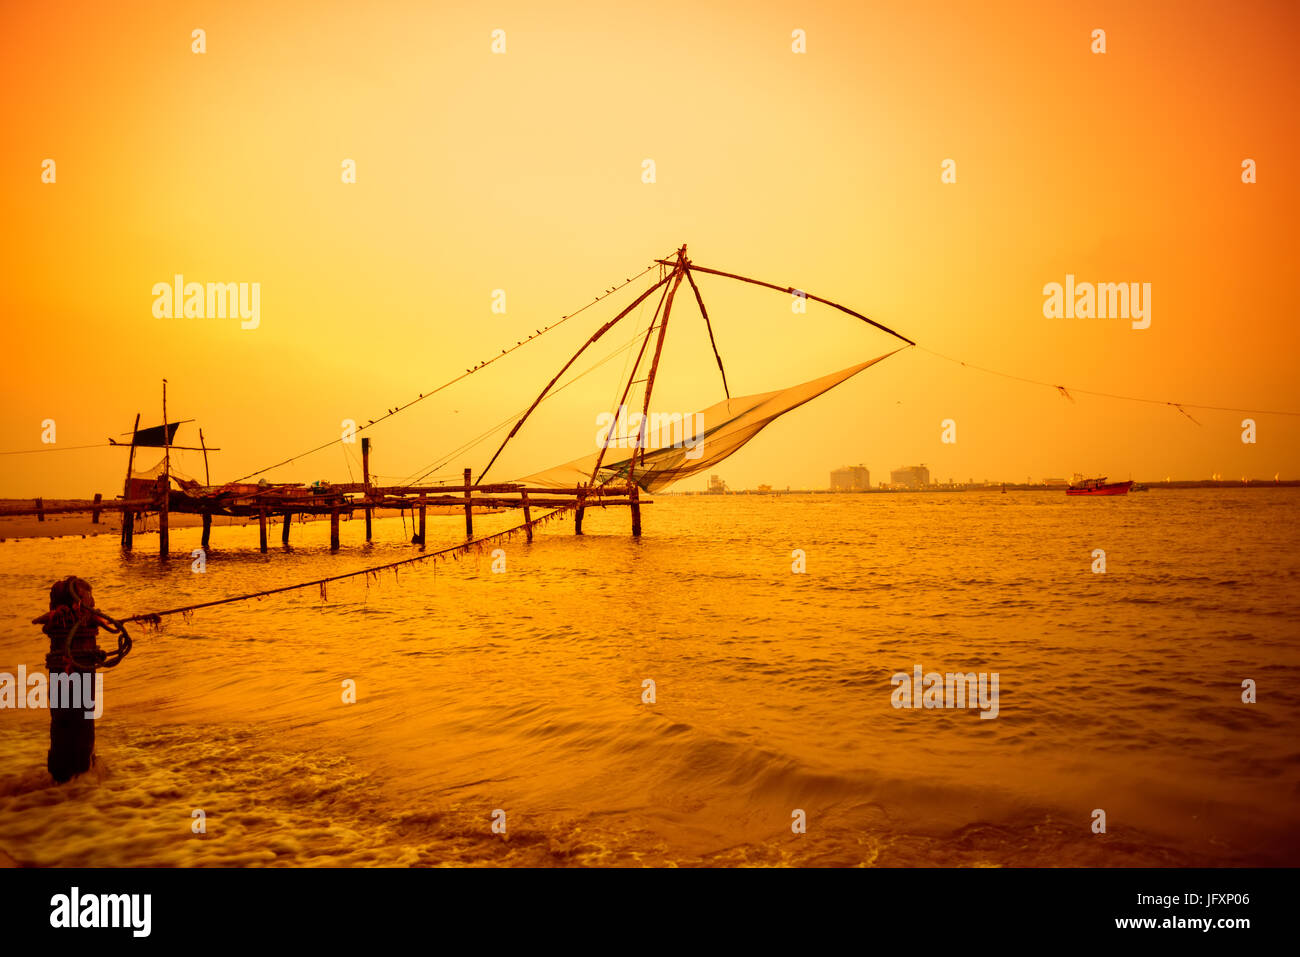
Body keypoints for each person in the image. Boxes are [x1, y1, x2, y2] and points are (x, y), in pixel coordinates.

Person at [33, 576, 107, 782]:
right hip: (69, 657)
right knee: (71, 717)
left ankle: (69, 776)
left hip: (68, 654)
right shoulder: (72, 621)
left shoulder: (77, 622)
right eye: (89, 602)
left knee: (67, 719)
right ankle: (78, 774)